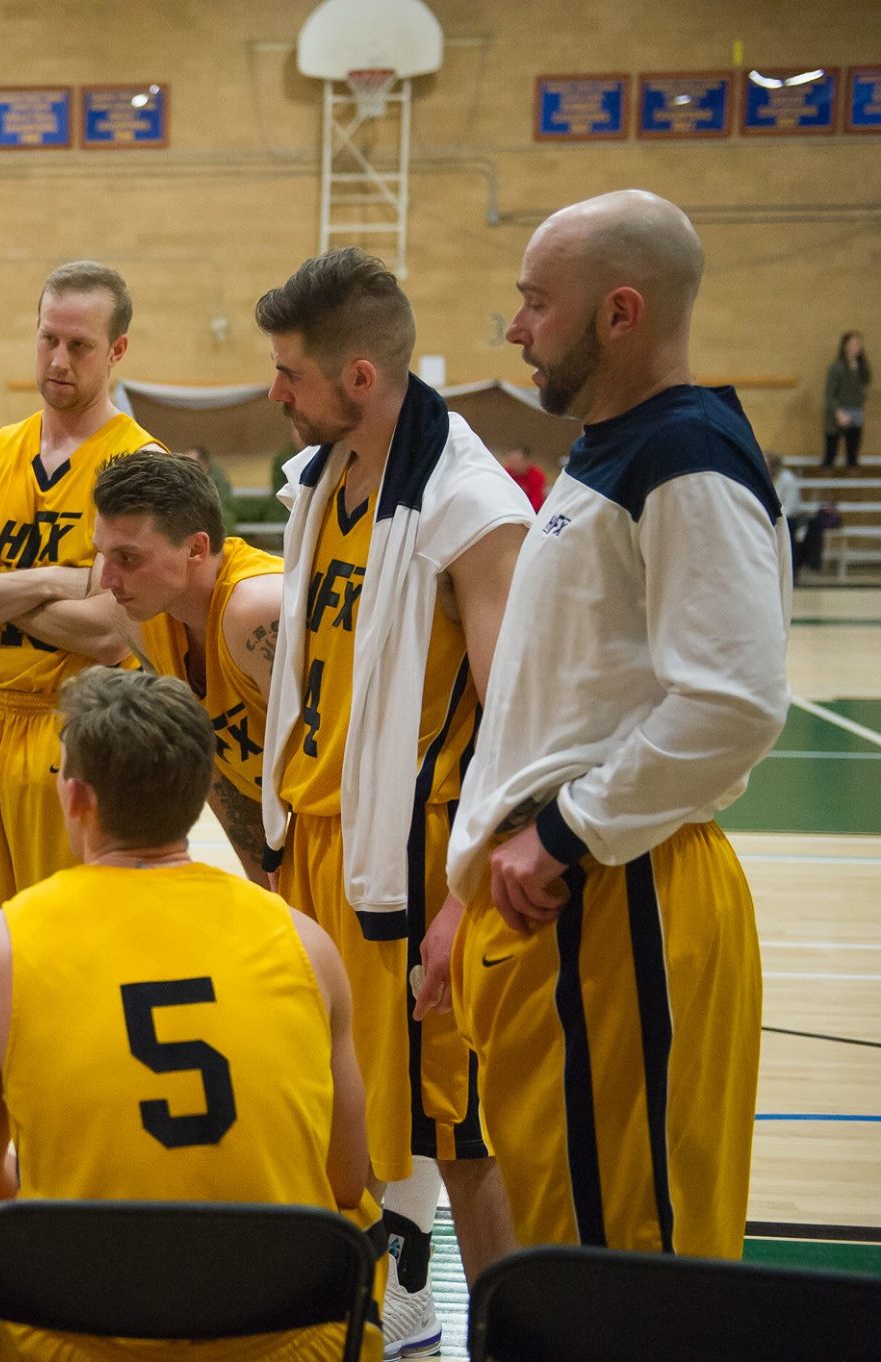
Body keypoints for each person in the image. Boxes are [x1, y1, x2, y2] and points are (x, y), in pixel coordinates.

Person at [419, 189, 791, 1260]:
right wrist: (465, 884)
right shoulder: (608, 449)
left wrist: (561, 833)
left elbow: (730, 699)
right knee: (562, 1237)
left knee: (625, 1262)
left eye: (534, 303)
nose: (513, 328)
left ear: (617, 313)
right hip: (557, 901)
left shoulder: (684, 456)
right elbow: (554, 695)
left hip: (617, 898)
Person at [0, 667, 379, 1361]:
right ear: (201, 795)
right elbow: (346, 1179)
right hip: (282, 1334)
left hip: (79, 1332)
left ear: (74, 797)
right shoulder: (304, 941)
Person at [257, 247, 530, 1352]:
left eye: (288, 373)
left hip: (410, 866)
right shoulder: (323, 479)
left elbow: (510, 711)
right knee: (343, 1102)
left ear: (358, 378)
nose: (272, 392)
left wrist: (469, 896)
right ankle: (381, 1293)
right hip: (315, 841)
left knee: (455, 1127)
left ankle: (520, 1328)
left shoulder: (466, 502)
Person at [0, 261, 175, 985]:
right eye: (48, 339)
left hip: (79, 731)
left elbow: (107, 630)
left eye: (81, 345)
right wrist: (55, 580)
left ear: (118, 350)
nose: (59, 361)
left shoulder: (142, 464)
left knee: (68, 966)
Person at [92, 450, 281, 881]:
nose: (106, 580)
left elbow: (335, 773)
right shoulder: (142, 616)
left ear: (196, 548)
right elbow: (217, 758)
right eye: (102, 556)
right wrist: (264, 877)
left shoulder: (257, 611)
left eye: (128, 558)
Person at [823, 331, 868, 468]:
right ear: (845, 346)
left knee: (853, 449)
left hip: (856, 410)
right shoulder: (837, 367)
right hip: (839, 410)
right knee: (831, 449)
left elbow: (865, 384)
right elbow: (830, 393)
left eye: (858, 344)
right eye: (852, 344)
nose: (855, 347)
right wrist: (838, 412)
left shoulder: (862, 367)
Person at [496, 444, 547, 510]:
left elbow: (536, 501)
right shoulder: (505, 473)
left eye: (516, 462)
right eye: (511, 461)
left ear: (527, 461)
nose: (512, 465)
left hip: (528, 511)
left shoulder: (537, 476)